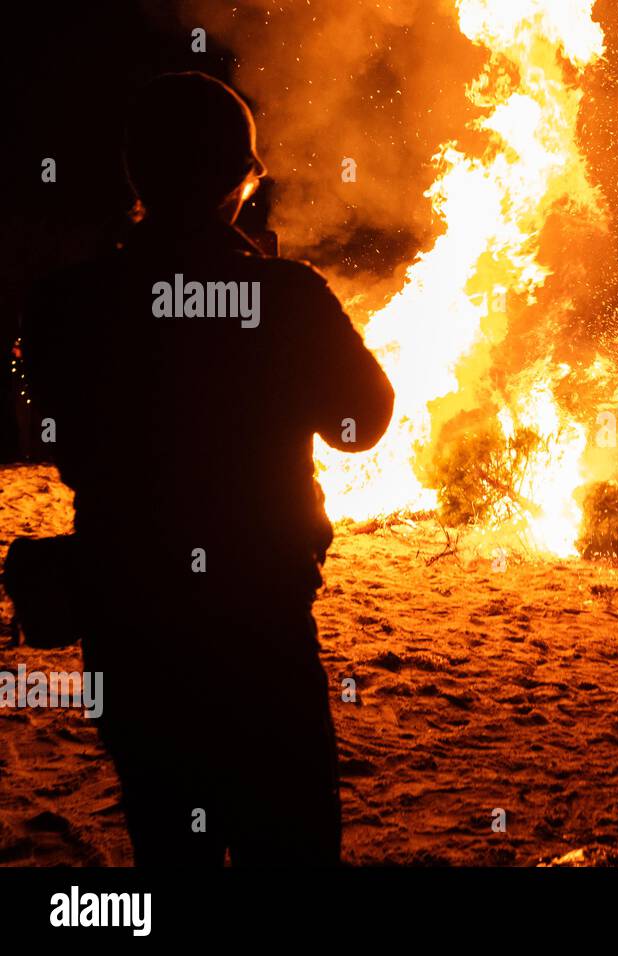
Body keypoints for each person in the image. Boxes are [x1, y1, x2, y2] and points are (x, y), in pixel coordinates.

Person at [21, 73, 395, 865]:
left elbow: (55, 436)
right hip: (258, 623)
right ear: (241, 181)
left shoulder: (66, 305)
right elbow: (361, 425)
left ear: (138, 179)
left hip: (132, 628)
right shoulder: (286, 297)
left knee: (169, 846)